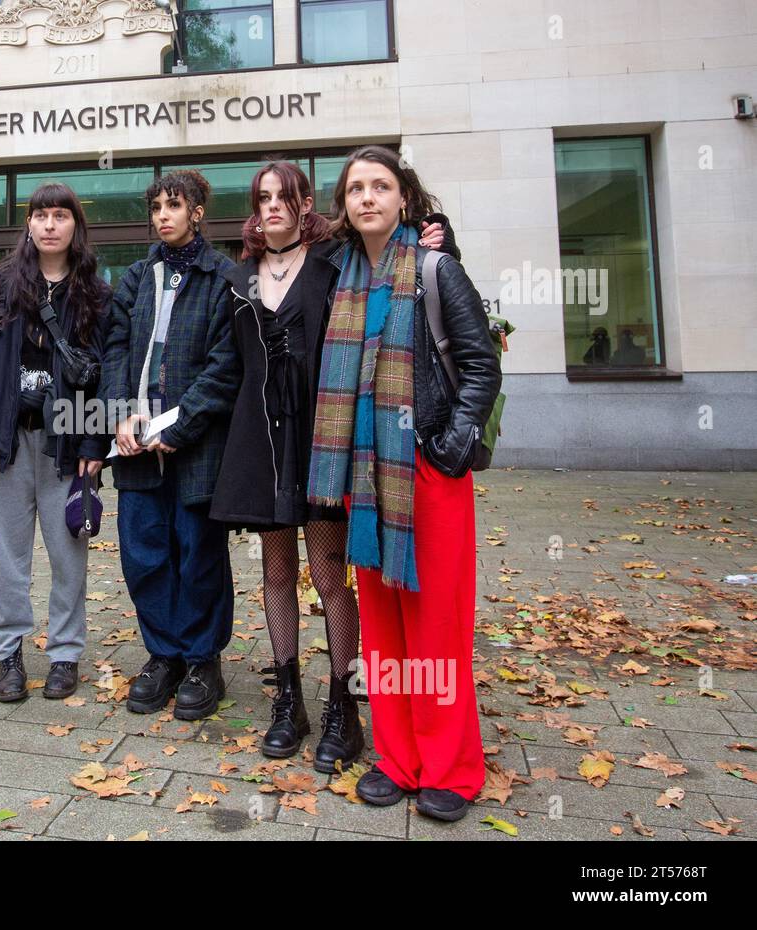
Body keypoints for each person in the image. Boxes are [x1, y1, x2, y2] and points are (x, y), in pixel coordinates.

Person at [210, 159, 457, 764]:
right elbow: (227, 365)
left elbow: (393, 239)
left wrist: (441, 229)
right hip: (260, 441)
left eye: (286, 197)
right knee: (274, 572)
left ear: (304, 205)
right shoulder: (239, 277)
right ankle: (287, 699)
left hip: (323, 435)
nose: (273, 207)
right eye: (263, 197)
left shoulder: (332, 266)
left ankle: (344, 707)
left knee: (327, 574)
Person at [306, 144, 500, 821]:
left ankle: (450, 767)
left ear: (403, 198)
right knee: (384, 626)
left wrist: (448, 449)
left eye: (380, 186)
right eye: (355, 188)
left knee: (436, 625)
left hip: (425, 471)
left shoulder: (437, 268)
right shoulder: (344, 277)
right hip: (366, 471)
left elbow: (481, 367)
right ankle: (398, 757)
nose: (366, 198)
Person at [99, 169, 240, 721]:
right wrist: (119, 414)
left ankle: (203, 660)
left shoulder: (225, 276)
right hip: (136, 444)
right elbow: (114, 347)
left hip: (195, 445)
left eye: (174, 206)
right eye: (156, 206)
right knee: (144, 553)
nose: (163, 215)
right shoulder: (137, 275)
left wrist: (179, 428)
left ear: (198, 211)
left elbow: (226, 365)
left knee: (198, 553)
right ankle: (163, 655)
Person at [0, 183, 112, 702]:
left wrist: (95, 445)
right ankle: (9, 652)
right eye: (40, 215)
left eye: (60, 215)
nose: (50, 224)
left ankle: (65, 653)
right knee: (7, 554)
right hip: (8, 440)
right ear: (28, 224)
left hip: (68, 442)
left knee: (68, 550)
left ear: (76, 225)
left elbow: (105, 374)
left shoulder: (95, 293)